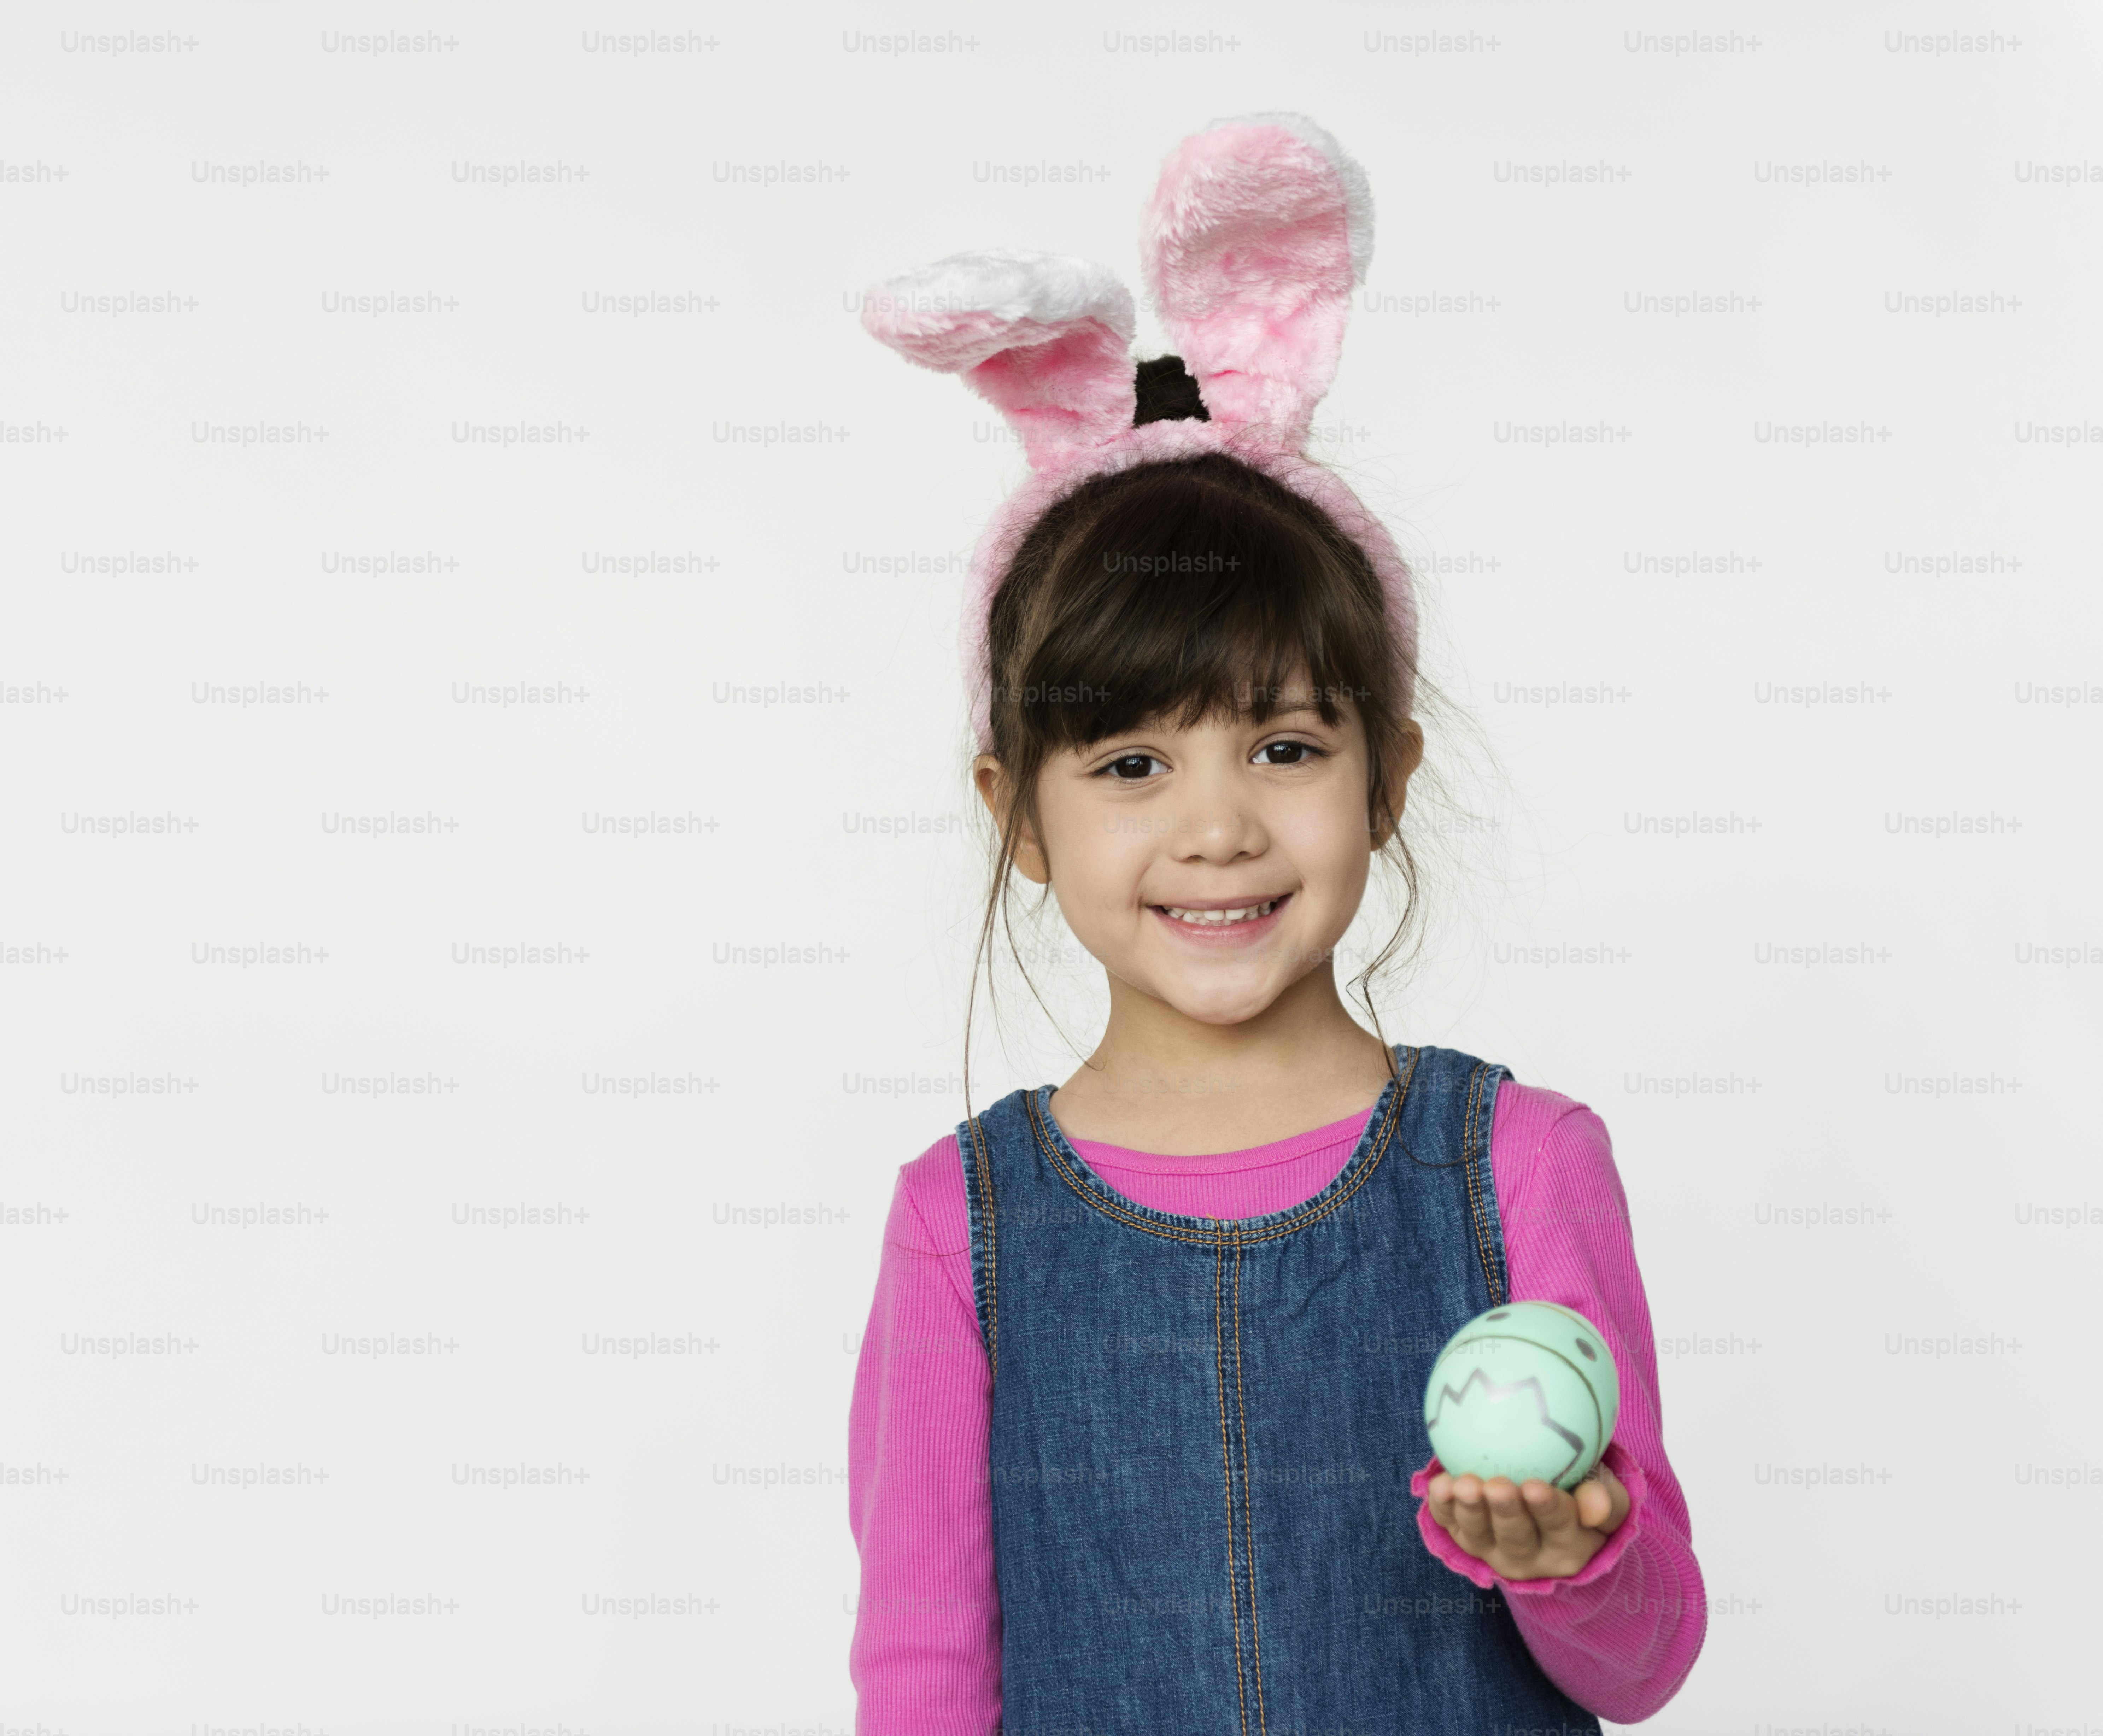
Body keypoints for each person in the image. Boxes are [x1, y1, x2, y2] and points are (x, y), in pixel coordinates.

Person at [847, 113, 1704, 1734]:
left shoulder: (1520, 1167)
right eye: (1131, 763)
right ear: (1017, 812)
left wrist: (1569, 1557)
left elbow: (1646, 1662)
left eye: (1287, 746)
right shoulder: (957, 1225)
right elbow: (924, 1668)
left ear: (1388, 777)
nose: (1219, 826)